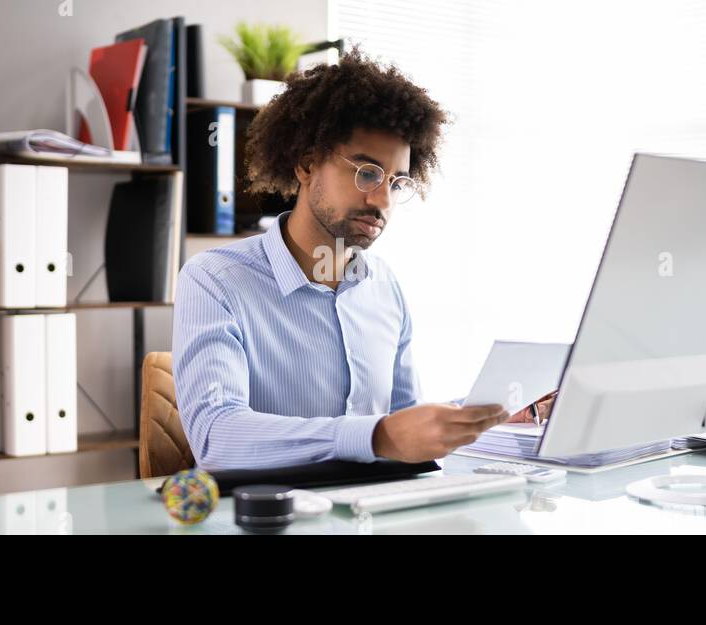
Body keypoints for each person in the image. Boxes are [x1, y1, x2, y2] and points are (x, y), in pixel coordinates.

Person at [172, 49, 549, 471]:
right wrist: (377, 436)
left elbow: (402, 425)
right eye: (366, 173)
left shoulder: (384, 286)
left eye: (397, 181)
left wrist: (487, 415)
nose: (382, 200)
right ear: (306, 164)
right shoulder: (216, 280)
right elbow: (216, 437)